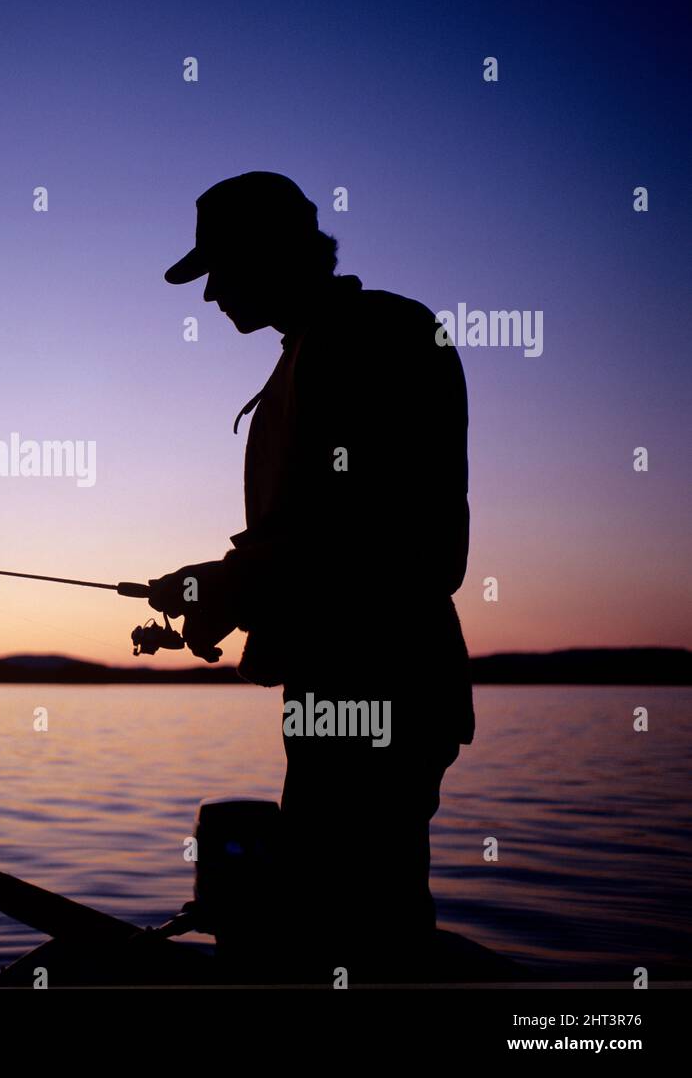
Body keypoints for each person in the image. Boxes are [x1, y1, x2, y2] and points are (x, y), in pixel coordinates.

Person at [150, 171, 475, 978]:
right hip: (334, 688)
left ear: (276, 252)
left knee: (364, 927)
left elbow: (386, 541)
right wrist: (228, 592)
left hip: (383, 689)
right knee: (338, 917)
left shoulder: (378, 336)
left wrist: (227, 586)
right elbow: (317, 542)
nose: (212, 293)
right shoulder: (312, 351)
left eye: (222, 268)